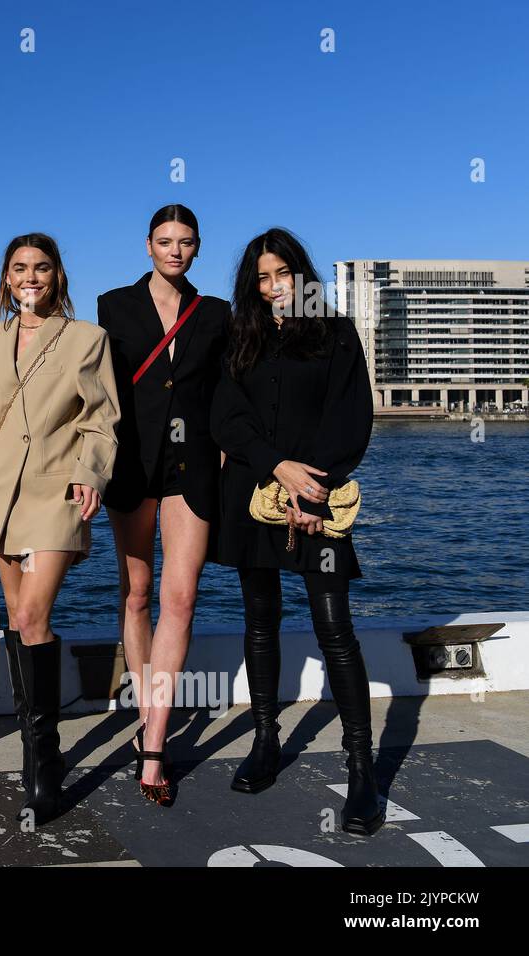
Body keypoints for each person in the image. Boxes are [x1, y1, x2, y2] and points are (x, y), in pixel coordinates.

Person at [210, 227, 383, 835]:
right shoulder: (242, 336)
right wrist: (276, 465)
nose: (273, 286)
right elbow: (224, 417)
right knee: (260, 620)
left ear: (301, 275)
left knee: (336, 629)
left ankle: (361, 767)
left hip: (320, 503)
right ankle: (265, 740)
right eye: (262, 277)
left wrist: (318, 486)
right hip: (254, 498)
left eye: (282, 273)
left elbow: (352, 415)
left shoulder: (336, 333)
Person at [0, 233, 120, 824]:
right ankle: (36, 753)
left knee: (32, 616)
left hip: (57, 491)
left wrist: (92, 474)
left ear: (58, 276)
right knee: (20, 623)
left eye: (41, 268)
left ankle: (46, 756)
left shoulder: (88, 338)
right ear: (7, 279)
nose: (30, 277)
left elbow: (103, 416)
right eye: (19, 269)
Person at [97, 204, 230, 807]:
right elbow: (97, 392)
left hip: (193, 468)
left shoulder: (217, 314)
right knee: (137, 595)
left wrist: (227, 453)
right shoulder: (112, 307)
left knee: (180, 598)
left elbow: (226, 392)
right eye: (165, 241)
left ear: (197, 248)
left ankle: (154, 743)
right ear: (147, 246)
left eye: (186, 242)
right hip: (131, 465)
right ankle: (145, 708)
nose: (175, 251)